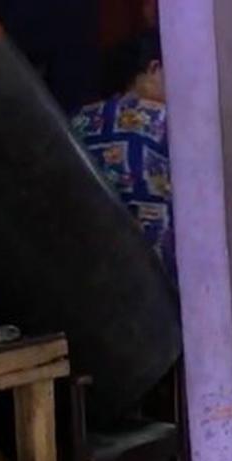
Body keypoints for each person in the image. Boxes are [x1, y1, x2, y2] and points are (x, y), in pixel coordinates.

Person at [72, 31, 175, 281]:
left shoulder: (79, 120)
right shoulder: (167, 121)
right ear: (155, 68)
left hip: (86, 270)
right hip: (158, 280)